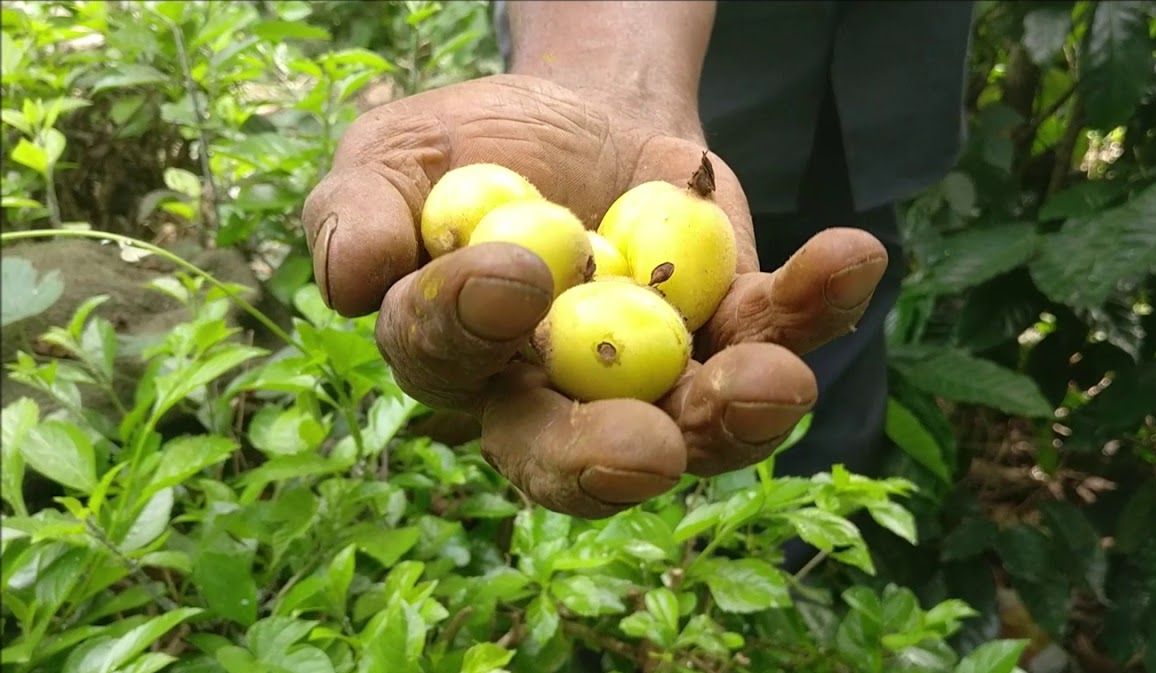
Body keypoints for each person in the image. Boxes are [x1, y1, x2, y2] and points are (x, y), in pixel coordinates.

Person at [301, 1, 976, 571]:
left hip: (884, 68)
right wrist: (611, 85)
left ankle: (805, 579)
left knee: (824, 331)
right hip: (684, 51)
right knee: (755, 372)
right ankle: (654, 594)